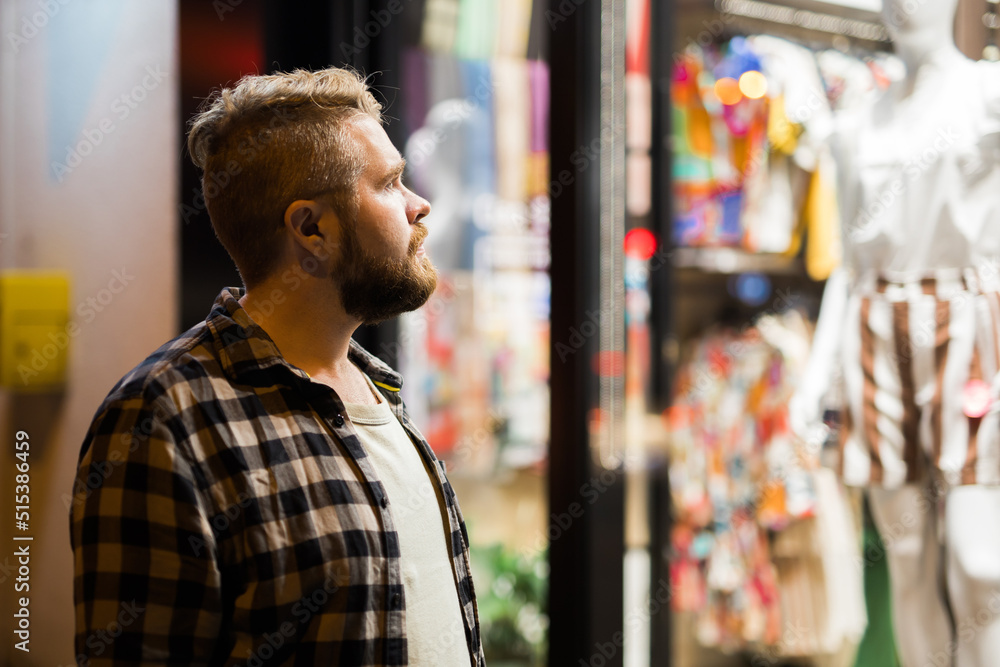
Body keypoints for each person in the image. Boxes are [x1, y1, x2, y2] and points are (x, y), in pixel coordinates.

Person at [69, 67, 485, 666]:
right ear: (312, 229)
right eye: (390, 183)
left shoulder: (377, 389)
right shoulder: (162, 419)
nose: (420, 205)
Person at [791, 1, 1000, 665]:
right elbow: (849, 270)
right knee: (907, 555)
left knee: (980, 561)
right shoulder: (857, 122)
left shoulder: (988, 94)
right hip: (874, 333)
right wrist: (815, 375)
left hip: (968, 330)